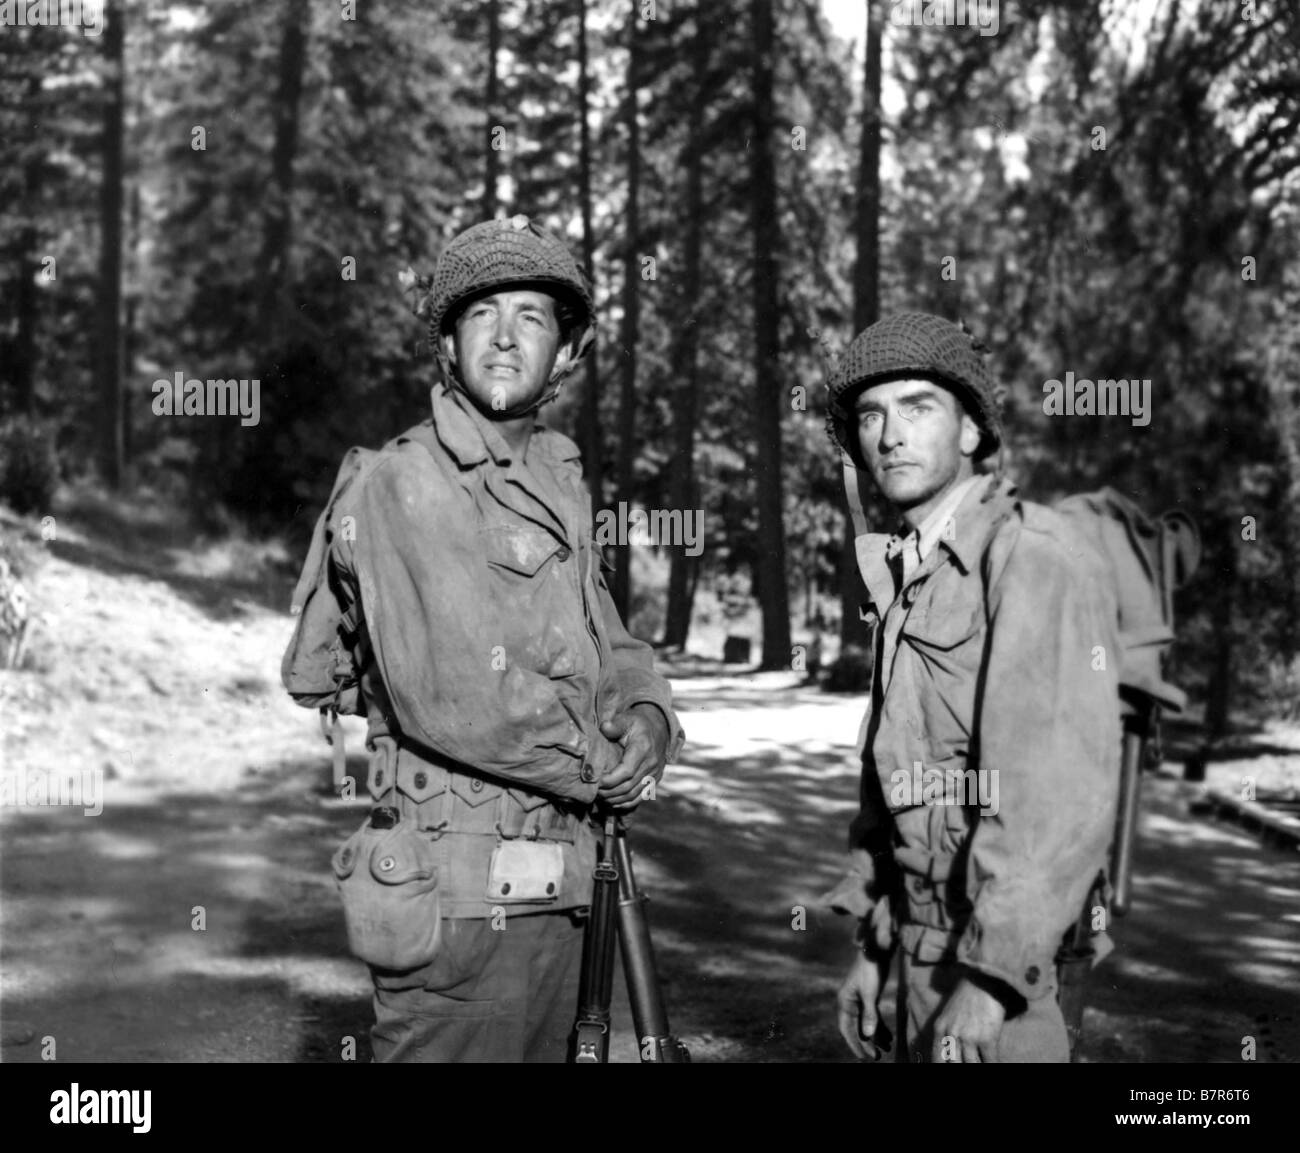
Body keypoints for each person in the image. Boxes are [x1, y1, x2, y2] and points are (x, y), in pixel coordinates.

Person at [282, 214, 683, 1062]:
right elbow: (466, 701)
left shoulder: (555, 480)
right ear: (447, 346)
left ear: (565, 354)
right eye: (481, 314)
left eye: (531, 316)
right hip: (464, 918)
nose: (505, 337)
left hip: (572, 892)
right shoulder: (407, 482)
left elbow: (611, 645)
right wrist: (607, 766)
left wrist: (648, 718)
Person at [821, 312, 1121, 1063]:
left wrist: (989, 982)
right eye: (871, 415)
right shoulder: (909, 573)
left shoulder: (1030, 557)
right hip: (920, 958)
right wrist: (873, 938)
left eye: (918, 406)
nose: (890, 435)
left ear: (970, 432)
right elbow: (898, 785)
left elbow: (1052, 797)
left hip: (1002, 982)